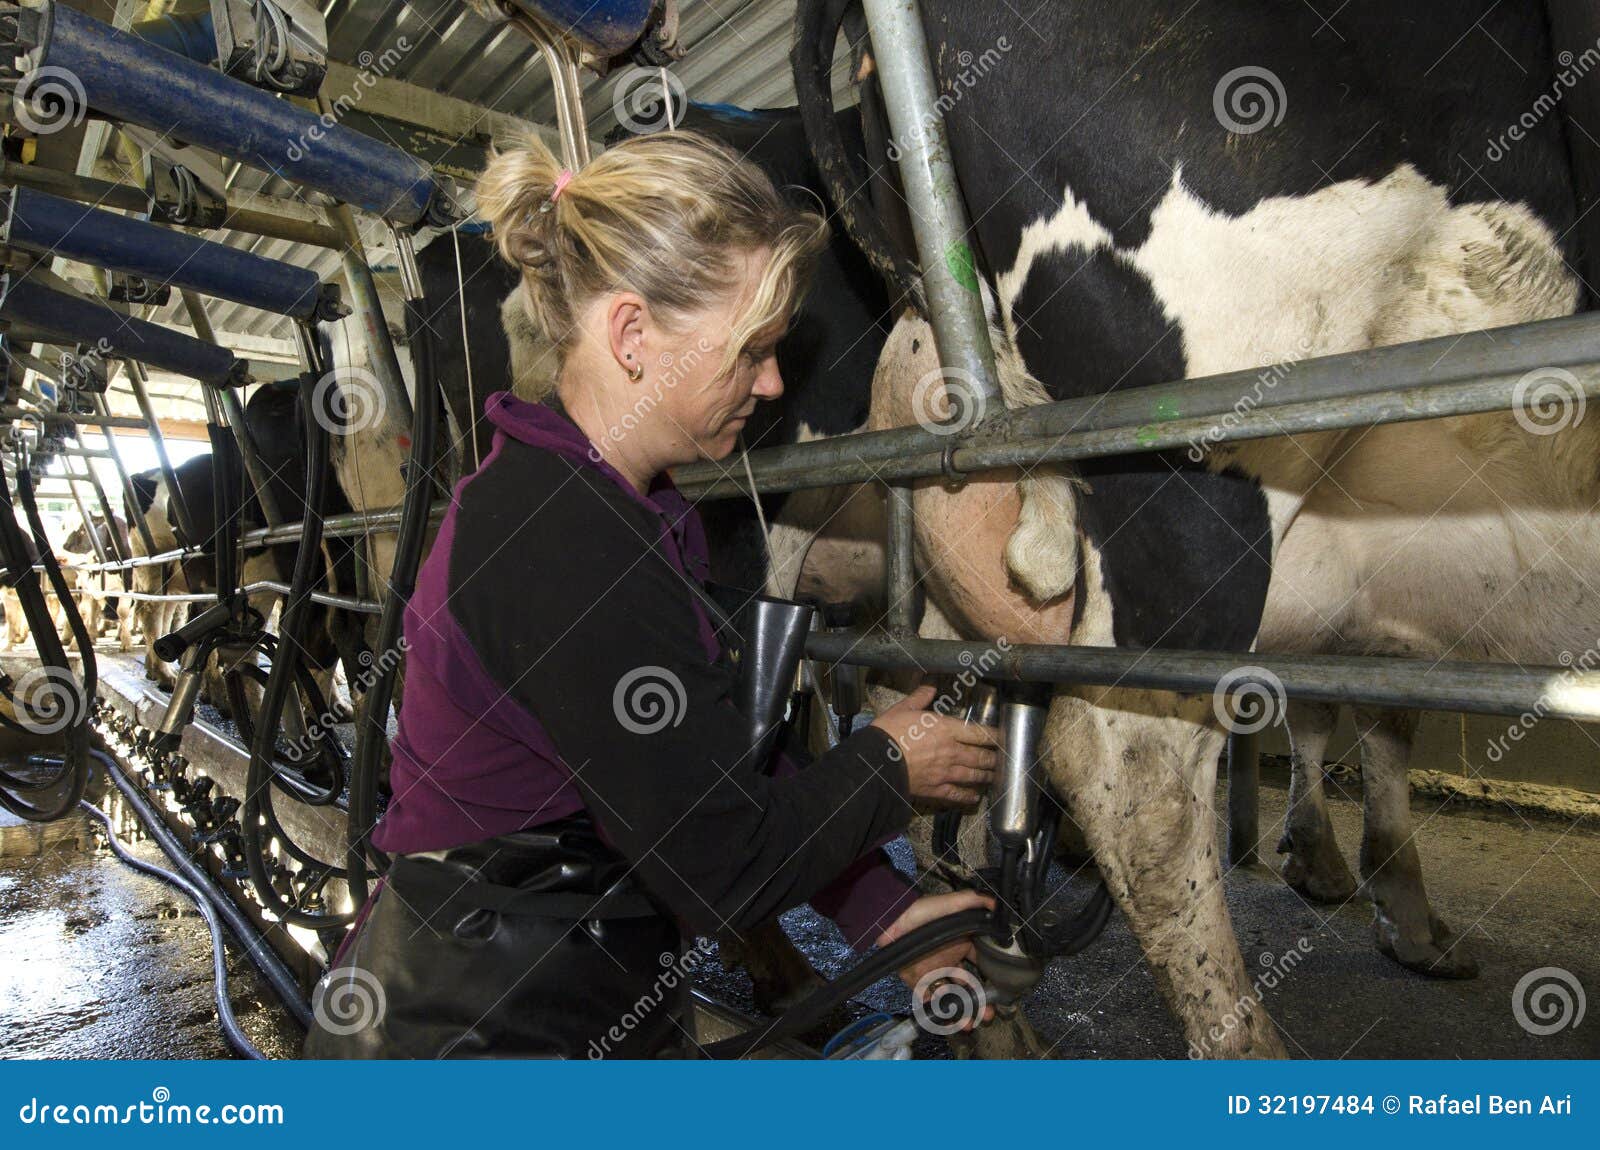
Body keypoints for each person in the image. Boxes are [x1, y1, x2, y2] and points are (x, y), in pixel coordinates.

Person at [303, 129, 1001, 1059]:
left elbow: (707, 761)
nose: (774, 382)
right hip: (480, 1032)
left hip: (546, 993)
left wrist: (884, 912)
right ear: (632, 335)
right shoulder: (561, 539)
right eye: (751, 350)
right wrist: (886, 764)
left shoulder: (617, 505)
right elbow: (723, 868)